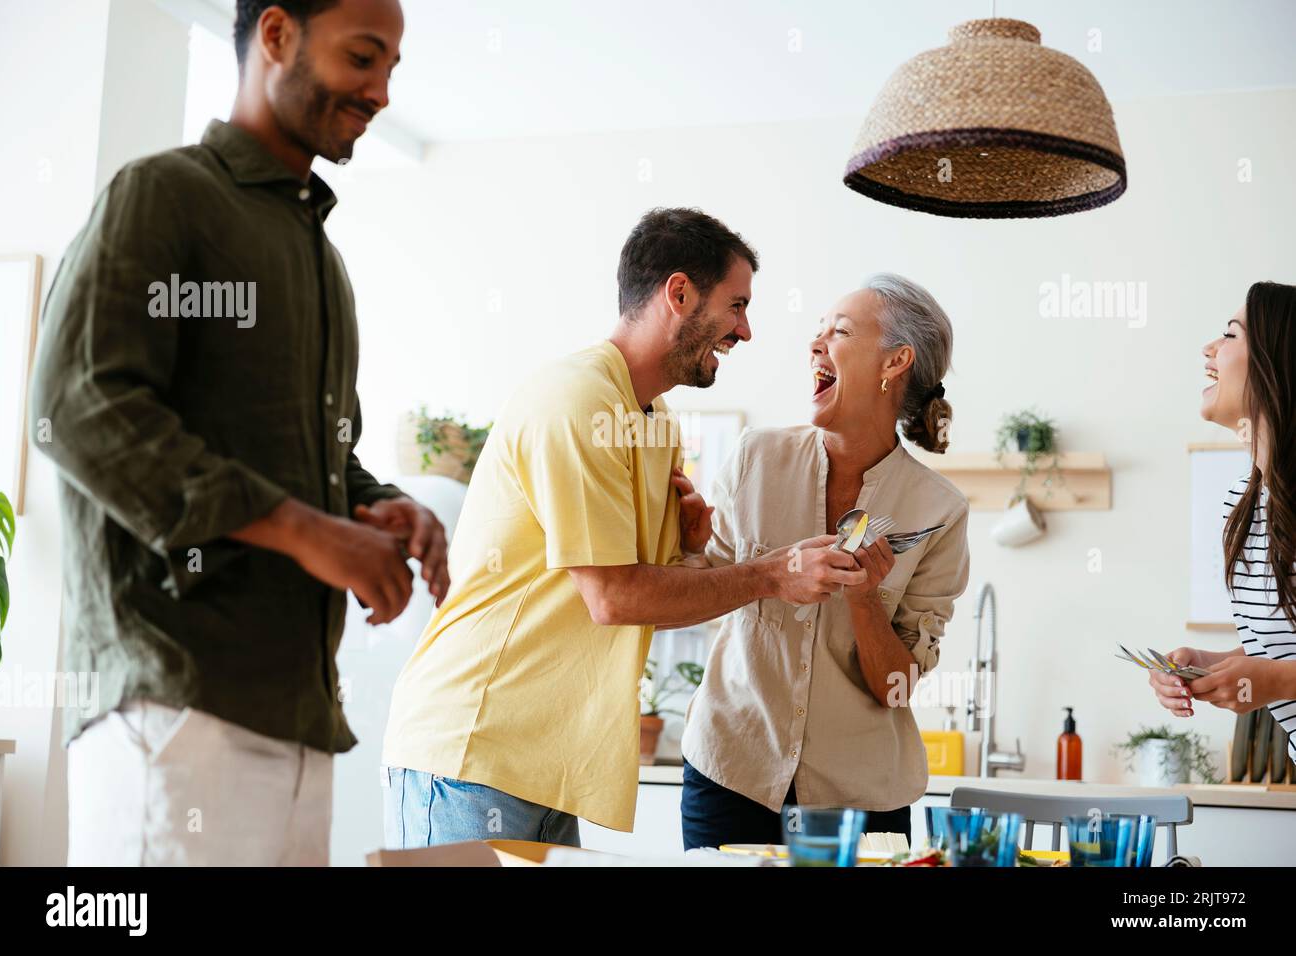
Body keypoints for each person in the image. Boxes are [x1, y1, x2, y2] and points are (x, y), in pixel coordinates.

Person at [30, 0, 447, 866]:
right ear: (276, 35)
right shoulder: (163, 196)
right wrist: (307, 531)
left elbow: (326, 458)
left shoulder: (321, 258)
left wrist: (383, 506)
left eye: (391, 69)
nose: (379, 91)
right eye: (363, 57)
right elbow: (80, 406)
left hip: (300, 722)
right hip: (177, 710)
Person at [381, 207, 868, 847]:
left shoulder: (655, 421)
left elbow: (645, 606)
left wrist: (694, 554)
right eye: (738, 305)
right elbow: (613, 598)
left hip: (547, 768)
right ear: (679, 293)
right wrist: (773, 574)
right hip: (472, 752)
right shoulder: (577, 399)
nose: (746, 331)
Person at [677, 273, 971, 850]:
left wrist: (865, 601)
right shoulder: (755, 458)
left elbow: (896, 688)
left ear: (896, 362)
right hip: (730, 770)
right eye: (818, 332)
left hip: (862, 803)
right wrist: (690, 549)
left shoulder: (939, 511)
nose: (815, 345)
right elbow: (700, 593)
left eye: (838, 332)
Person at [1149, 281, 1296, 767]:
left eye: (1230, 335)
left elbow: (1281, 671)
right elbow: (1283, 646)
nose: (1209, 349)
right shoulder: (1247, 503)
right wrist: (1209, 665)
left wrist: (1273, 682)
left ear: (1278, 361)